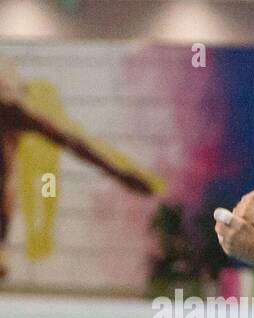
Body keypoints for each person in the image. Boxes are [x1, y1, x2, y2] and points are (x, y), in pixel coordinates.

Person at [0, 58, 153, 280]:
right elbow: (74, 143)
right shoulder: (12, 112)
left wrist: (119, 173)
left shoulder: (15, 113)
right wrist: (120, 174)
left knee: (10, 181)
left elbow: (74, 143)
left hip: (6, 191)